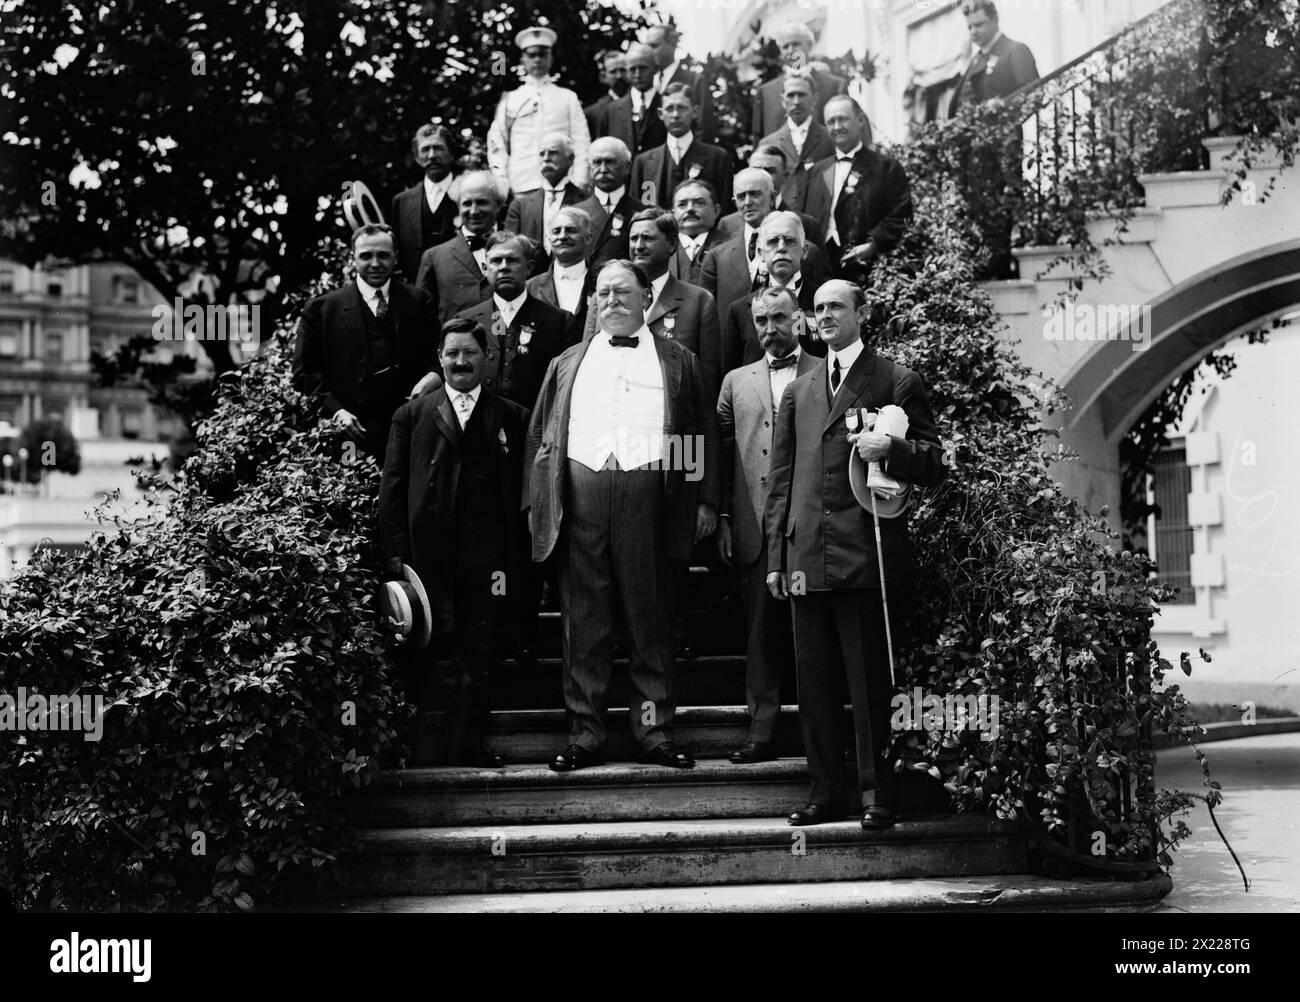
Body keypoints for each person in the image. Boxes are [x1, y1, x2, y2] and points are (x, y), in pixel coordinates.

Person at [764, 280, 947, 828]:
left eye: (835, 307)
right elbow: (780, 479)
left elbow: (936, 462)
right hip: (806, 556)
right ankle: (824, 794)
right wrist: (776, 555)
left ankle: (876, 796)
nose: (823, 316)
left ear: (861, 314)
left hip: (866, 554)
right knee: (813, 684)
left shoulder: (895, 379)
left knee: (869, 685)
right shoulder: (798, 389)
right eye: (816, 308)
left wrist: (891, 448)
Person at [526, 260, 719, 772]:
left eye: (622, 292)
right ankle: (585, 735)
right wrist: (538, 505)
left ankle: (653, 731)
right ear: (591, 301)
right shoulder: (567, 361)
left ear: (646, 299)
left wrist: (700, 500)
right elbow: (542, 437)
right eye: (602, 293)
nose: (611, 301)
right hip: (581, 497)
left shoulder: (678, 361)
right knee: (583, 622)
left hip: (648, 498)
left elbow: (696, 434)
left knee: (648, 617)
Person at [379, 318, 530, 767]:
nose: (460, 362)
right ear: (440, 358)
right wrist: (393, 552)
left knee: (477, 655)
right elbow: (393, 484)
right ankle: (411, 747)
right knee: (421, 651)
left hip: (488, 560)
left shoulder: (511, 416)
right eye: (451, 353)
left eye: (469, 353)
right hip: (426, 559)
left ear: (487, 359)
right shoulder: (411, 415)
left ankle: (468, 742)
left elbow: (522, 494)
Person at [716, 285, 818, 763]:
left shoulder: (825, 371)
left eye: (780, 318)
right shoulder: (735, 381)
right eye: (762, 321)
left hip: (811, 524)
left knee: (814, 631)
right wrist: (718, 515)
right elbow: (716, 455)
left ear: (798, 320)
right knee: (759, 632)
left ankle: (821, 735)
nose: (771, 329)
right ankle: (760, 731)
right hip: (753, 523)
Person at [293, 223, 437, 458]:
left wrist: (433, 377)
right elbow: (304, 374)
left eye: (383, 255)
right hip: (352, 433)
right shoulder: (322, 310)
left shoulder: (420, 301)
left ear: (395, 257)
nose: (375, 263)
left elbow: (437, 355)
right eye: (366, 256)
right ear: (353, 259)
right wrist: (337, 412)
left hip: (411, 429)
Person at [582, 209, 721, 396]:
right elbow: (589, 358)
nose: (638, 246)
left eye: (647, 238)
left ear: (672, 244)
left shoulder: (698, 301)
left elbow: (707, 377)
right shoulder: (604, 299)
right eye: (633, 239)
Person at [454, 232, 571, 412]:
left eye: (512, 260)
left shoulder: (559, 321)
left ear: (529, 267)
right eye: (496, 261)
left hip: (533, 427)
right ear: (485, 268)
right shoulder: (465, 320)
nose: (504, 267)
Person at [803, 96, 913, 282]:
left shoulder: (886, 168)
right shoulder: (815, 171)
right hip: (821, 269)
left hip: (866, 270)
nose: (837, 126)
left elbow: (900, 216)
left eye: (842, 119)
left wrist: (872, 245)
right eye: (830, 121)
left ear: (861, 120)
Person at [702, 169, 830, 327]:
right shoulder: (717, 257)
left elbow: (815, 300)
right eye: (741, 196)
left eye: (755, 194)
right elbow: (708, 318)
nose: (747, 202)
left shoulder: (805, 250)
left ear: (772, 197)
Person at [487, 26, 591, 200]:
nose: (537, 59)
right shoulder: (511, 99)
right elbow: (497, 144)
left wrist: (580, 179)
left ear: (551, 58)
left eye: (542, 54)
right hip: (522, 183)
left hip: (563, 182)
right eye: (531, 55)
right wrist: (502, 182)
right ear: (523, 59)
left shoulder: (567, 97)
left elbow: (581, 141)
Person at [719, 210, 829, 375]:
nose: (781, 248)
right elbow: (729, 377)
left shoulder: (824, 303)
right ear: (761, 254)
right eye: (772, 242)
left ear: (804, 250)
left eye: (790, 240)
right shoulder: (738, 311)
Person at [629, 83, 732, 211]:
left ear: (695, 112)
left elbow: (725, 209)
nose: (675, 115)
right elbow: (638, 210)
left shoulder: (717, 158)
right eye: (670, 109)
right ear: (661, 114)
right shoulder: (643, 162)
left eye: (682, 108)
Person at [416, 171, 501, 323]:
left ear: (498, 205)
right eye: (467, 203)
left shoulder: (524, 250)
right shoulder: (434, 257)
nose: (474, 211)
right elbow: (422, 318)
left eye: (482, 202)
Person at [756, 71, 836, 214]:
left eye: (802, 95)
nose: (797, 102)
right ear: (782, 101)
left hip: (821, 219)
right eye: (791, 95)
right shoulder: (768, 144)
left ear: (815, 99)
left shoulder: (830, 139)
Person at [391, 124, 461, 282]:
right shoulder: (401, 202)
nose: (432, 155)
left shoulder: (467, 194)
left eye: (438, 148)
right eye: (425, 149)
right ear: (416, 157)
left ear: (451, 154)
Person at [751, 23, 846, 139]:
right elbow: (758, 142)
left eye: (796, 44)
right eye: (785, 47)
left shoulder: (834, 86)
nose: (791, 51)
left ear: (810, 45)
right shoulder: (765, 92)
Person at [948, 0, 1039, 115]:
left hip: (1001, 129)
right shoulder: (975, 61)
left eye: (978, 25)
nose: (973, 32)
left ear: (995, 20)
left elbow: (1033, 93)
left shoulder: (1015, 50)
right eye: (969, 27)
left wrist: (1000, 108)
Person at [717, 152, 826, 246]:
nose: (747, 202)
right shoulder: (727, 224)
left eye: (770, 170)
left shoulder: (805, 224)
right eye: (755, 169)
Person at [503, 132, 586, 252]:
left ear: (571, 159)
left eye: (553, 153)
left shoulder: (585, 201)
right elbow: (510, 249)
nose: (546, 158)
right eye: (542, 154)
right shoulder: (520, 207)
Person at [572, 138, 646, 268]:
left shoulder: (642, 212)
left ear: (627, 167)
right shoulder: (575, 214)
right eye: (597, 162)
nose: (603, 169)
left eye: (610, 162)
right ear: (589, 168)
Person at [527, 206, 597, 342]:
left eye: (571, 230)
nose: (563, 236)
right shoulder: (531, 287)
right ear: (549, 239)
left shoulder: (601, 283)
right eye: (556, 231)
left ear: (587, 238)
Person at [590, 43, 667, 157]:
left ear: (655, 69)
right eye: (632, 69)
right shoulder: (611, 111)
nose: (637, 75)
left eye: (642, 68)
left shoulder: (667, 105)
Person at [669, 178, 726, 285]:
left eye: (699, 203)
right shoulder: (662, 247)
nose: (690, 209)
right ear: (673, 213)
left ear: (716, 210)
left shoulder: (730, 245)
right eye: (682, 204)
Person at [584, 50, 630, 137]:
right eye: (613, 72)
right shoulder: (593, 114)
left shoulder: (641, 106)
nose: (619, 76)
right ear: (603, 76)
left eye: (623, 70)